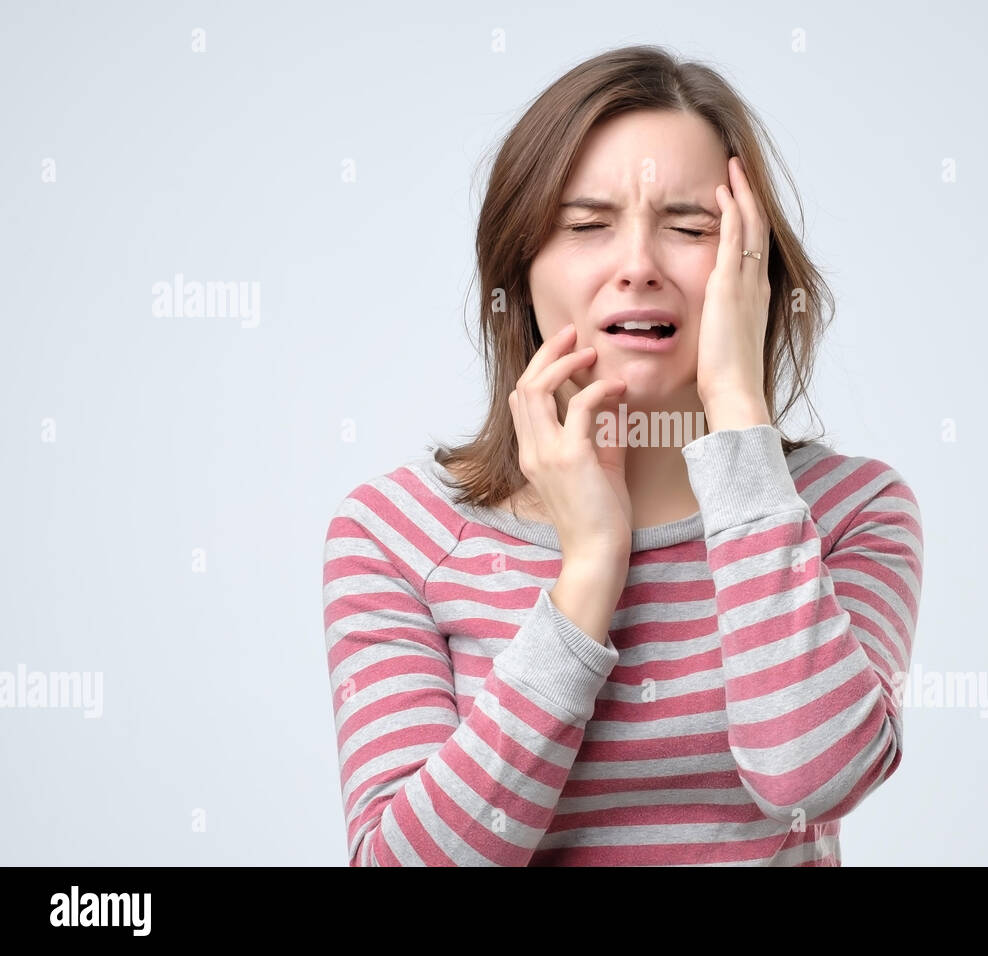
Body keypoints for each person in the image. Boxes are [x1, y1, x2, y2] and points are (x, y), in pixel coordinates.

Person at [321, 44, 923, 866]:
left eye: (690, 228)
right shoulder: (393, 534)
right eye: (587, 226)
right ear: (521, 270)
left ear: (753, 267)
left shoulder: (854, 510)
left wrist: (738, 419)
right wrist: (590, 570)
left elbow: (809, 776)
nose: (637, 266)